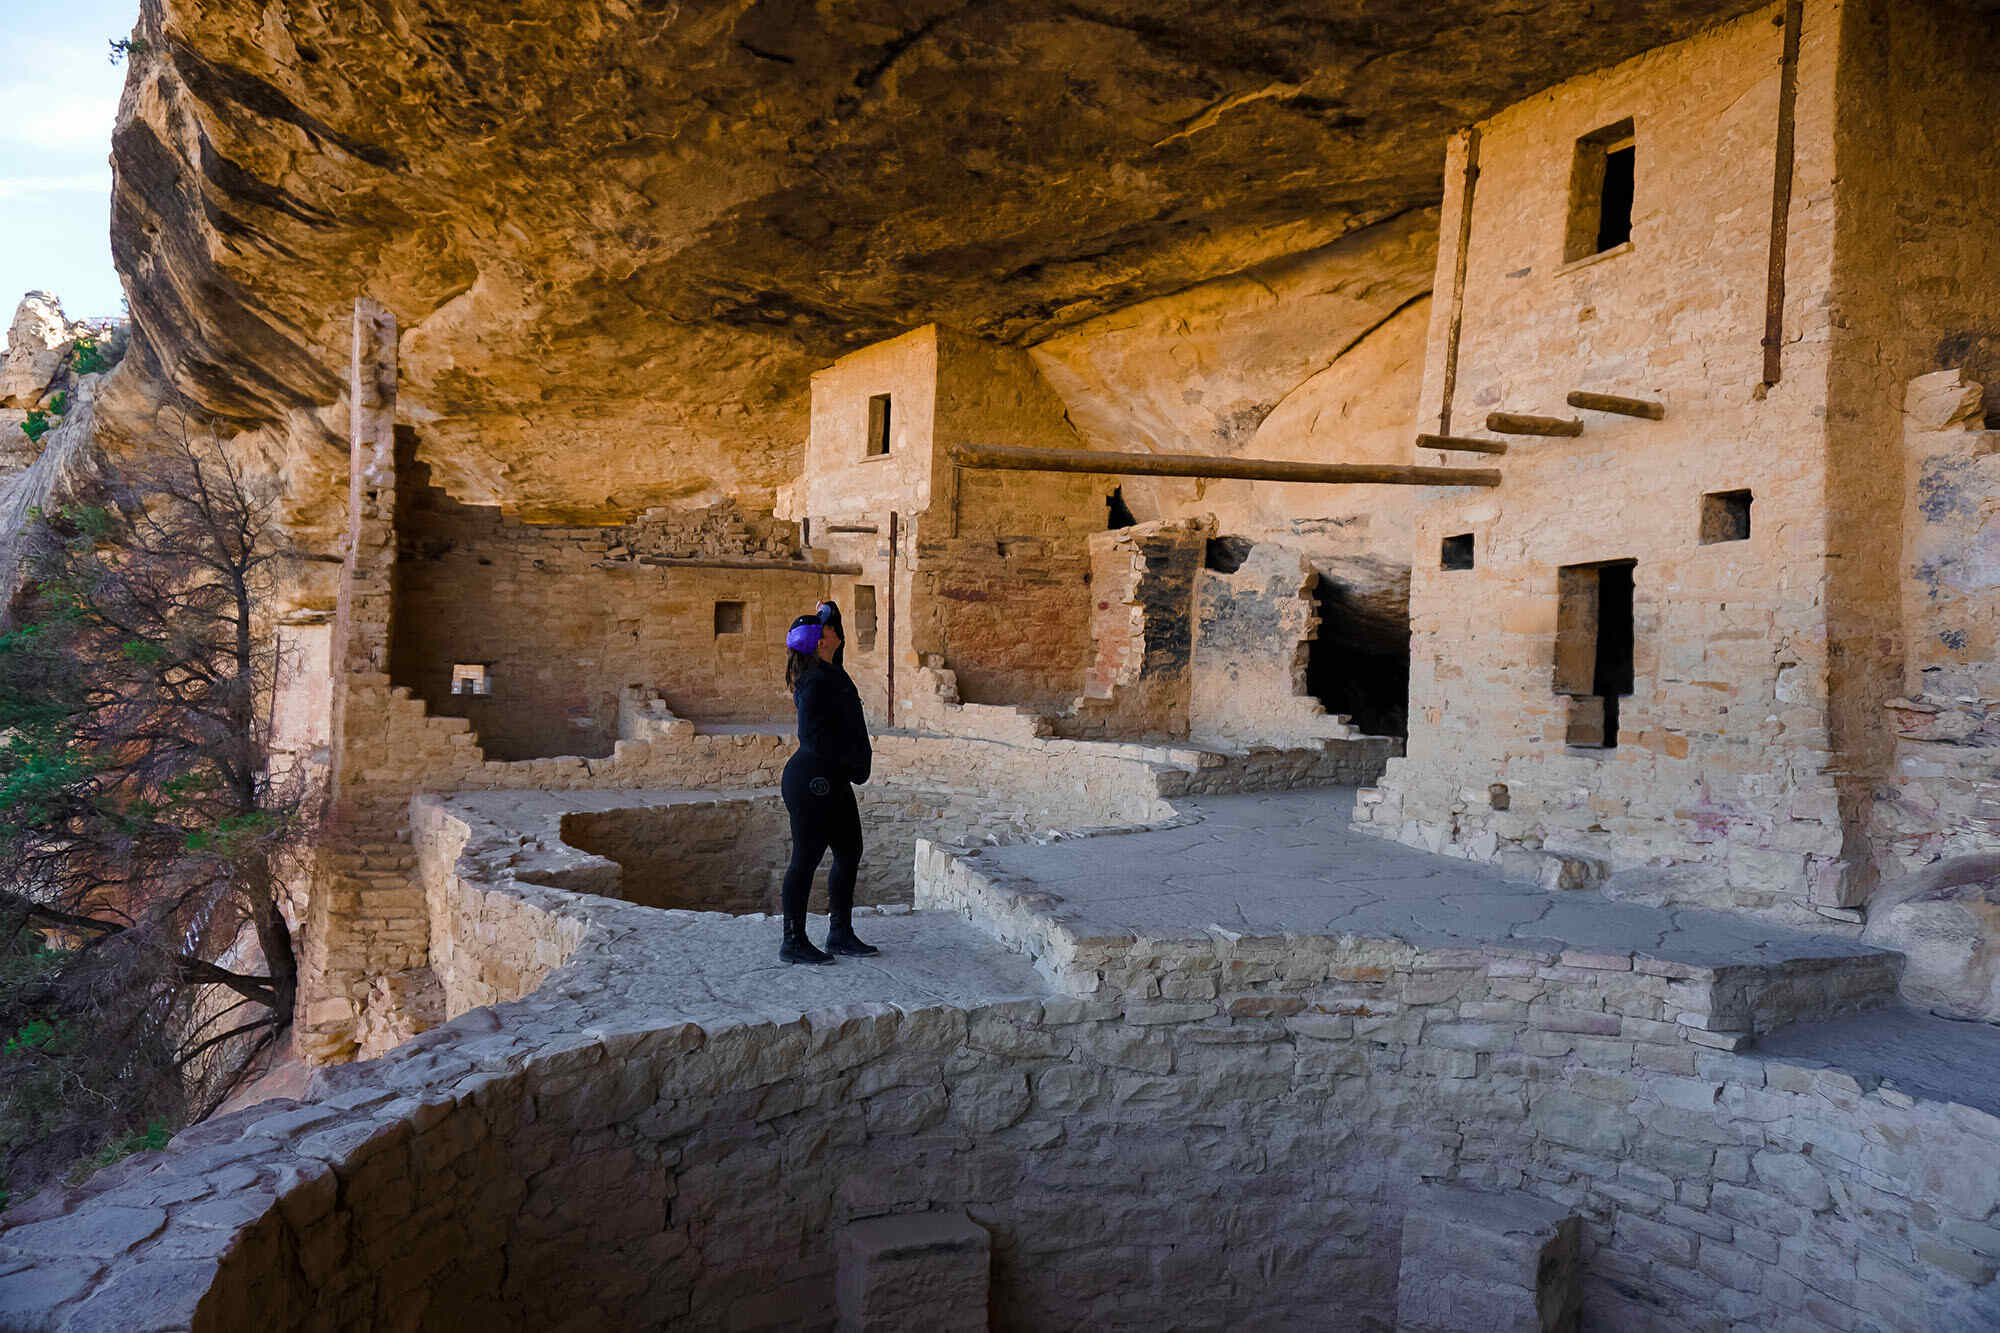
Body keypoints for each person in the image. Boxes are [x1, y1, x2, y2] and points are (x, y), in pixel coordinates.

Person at [778, 601, 878, 964]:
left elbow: (839, 633)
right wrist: (845, 761)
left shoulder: (825, 667)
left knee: (849, 851)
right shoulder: (817, 679)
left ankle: (840, 933)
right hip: (813, 778)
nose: (835, 630)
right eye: (827, 629)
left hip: (830, 776)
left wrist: (829, 610)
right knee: (805, 859)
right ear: (821, 643)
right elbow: (812, 735)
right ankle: (793, 941)